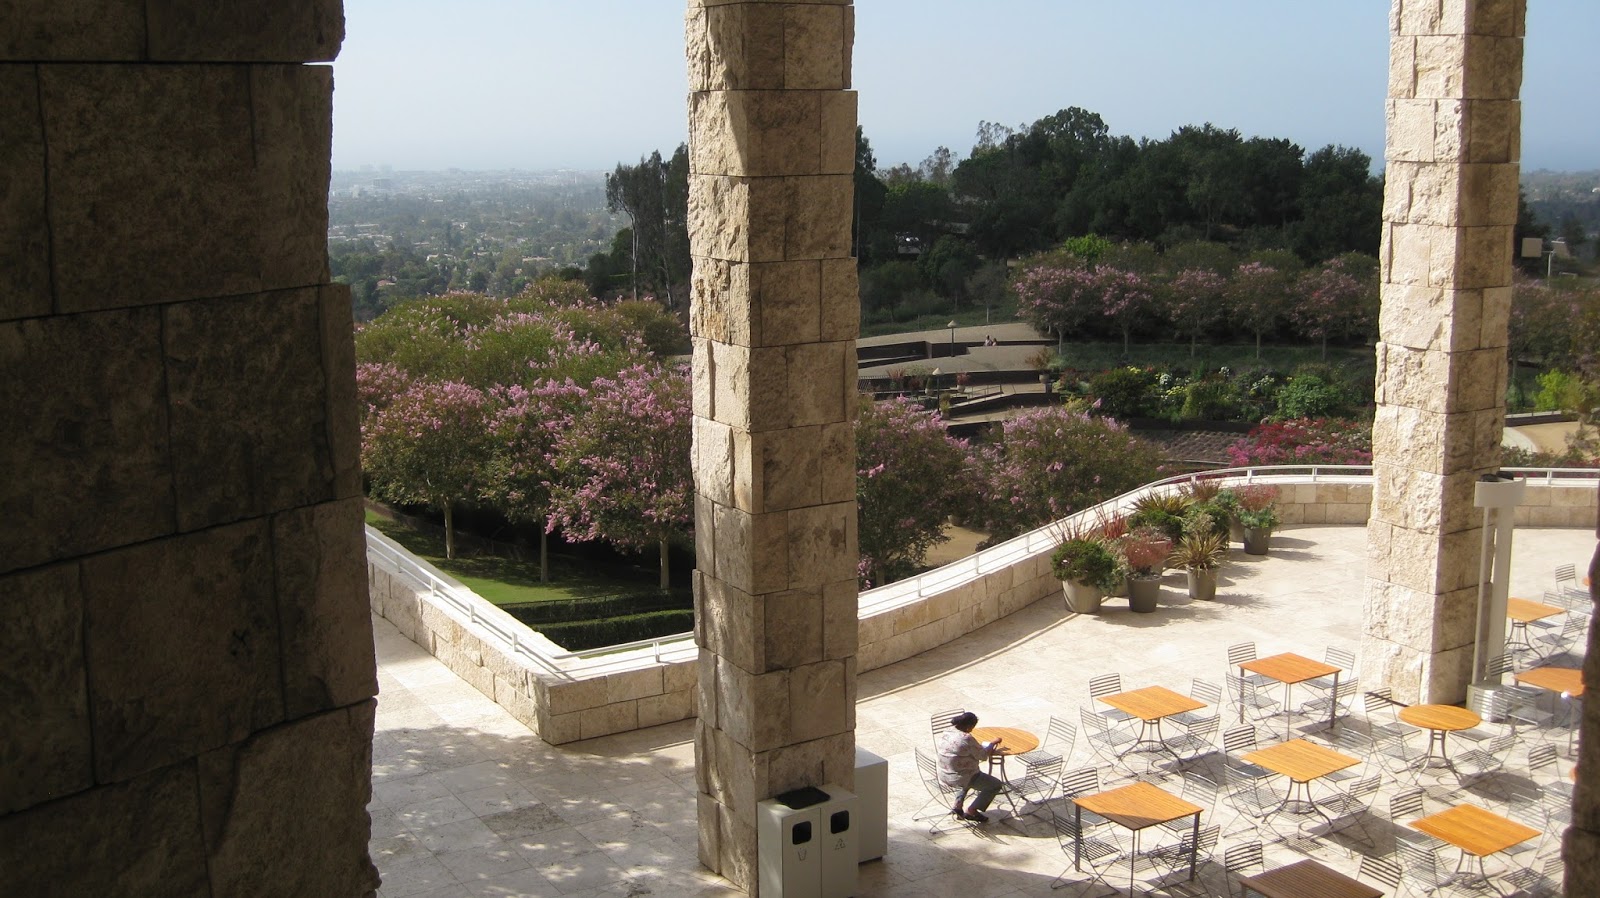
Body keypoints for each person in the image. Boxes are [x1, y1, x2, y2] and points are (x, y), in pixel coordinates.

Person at [936, 711, 1003, 822]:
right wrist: (993, 743)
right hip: (960, 777)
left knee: (966, 772)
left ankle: (958, 805)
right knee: (995, 784)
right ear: (968, 726)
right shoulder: (966, 738)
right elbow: (983, 755)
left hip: (944, 773)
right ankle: (972, 810)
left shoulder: (947, 732)